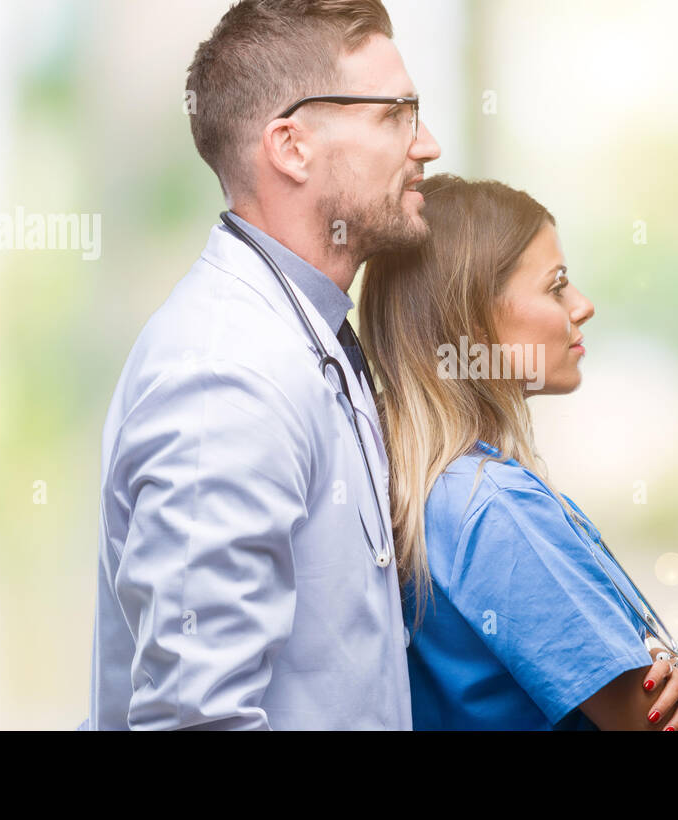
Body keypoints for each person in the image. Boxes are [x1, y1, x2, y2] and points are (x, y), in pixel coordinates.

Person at [82, 0, 442, 730]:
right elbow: (195, 719)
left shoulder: (307, 336)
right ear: (292, 146)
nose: (427, 145)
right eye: (395, 115)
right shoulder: (227, 375)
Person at [359, 174, 678, 730]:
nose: (584, 305)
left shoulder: (429, 489)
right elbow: (650, 724)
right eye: (557, 286)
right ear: (473, 321)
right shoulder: (492, 504)